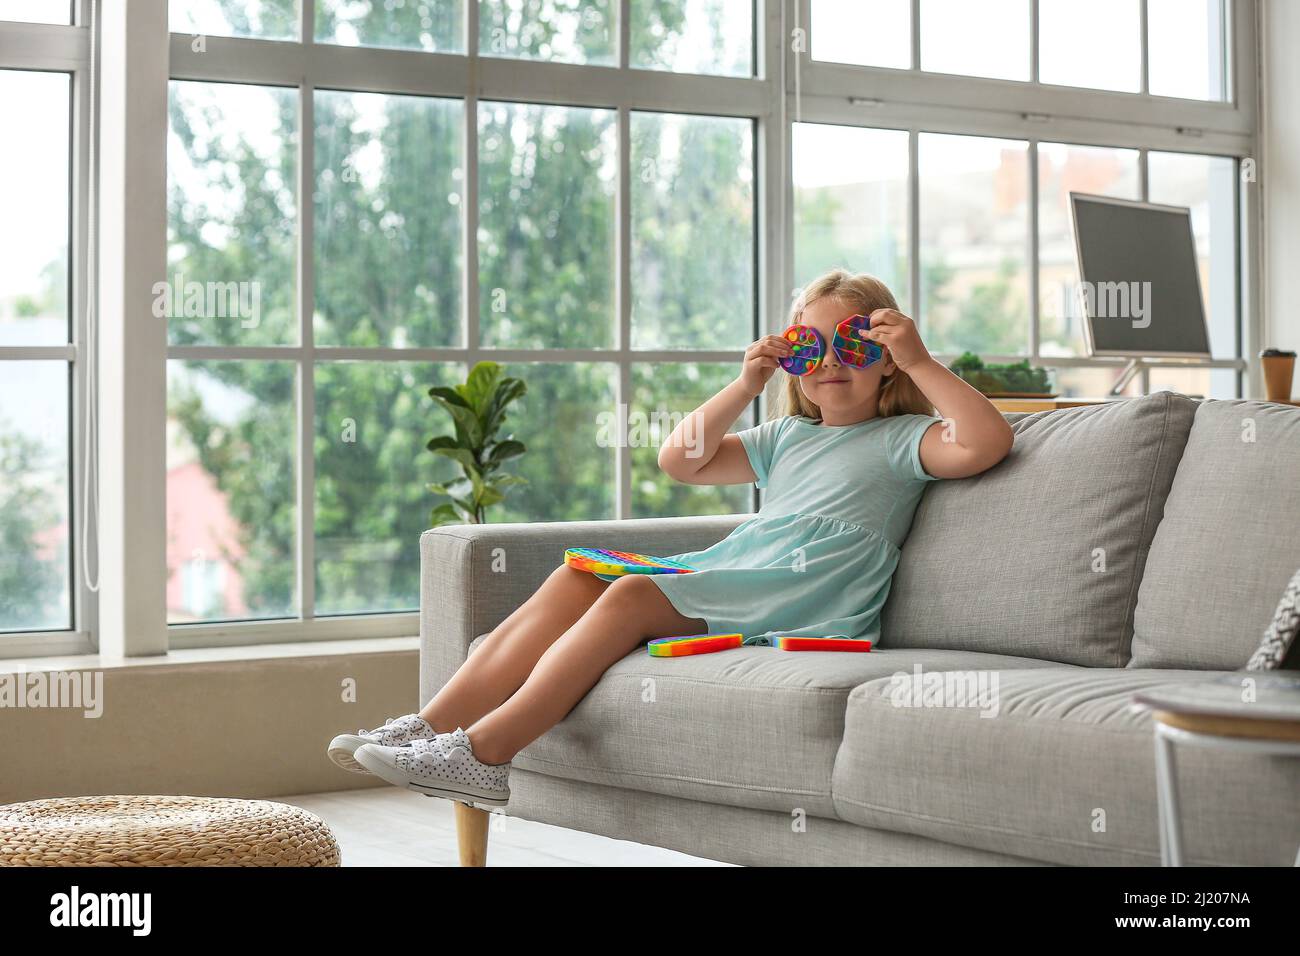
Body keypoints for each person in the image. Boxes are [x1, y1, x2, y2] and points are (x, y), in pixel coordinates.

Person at [326, 267, 1015, 808]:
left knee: (631, 596)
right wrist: (747, 381)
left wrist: (921, 360)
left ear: (886, 357)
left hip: (808, 590)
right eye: (814, 348)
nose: (834, 362)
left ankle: (485, 755)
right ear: (794, 360)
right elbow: (681, 459)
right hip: (746, 566)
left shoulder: (903, 438)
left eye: (855, 345)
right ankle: (428, 725)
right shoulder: (786, 437)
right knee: (576, 575)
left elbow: (987, 442)